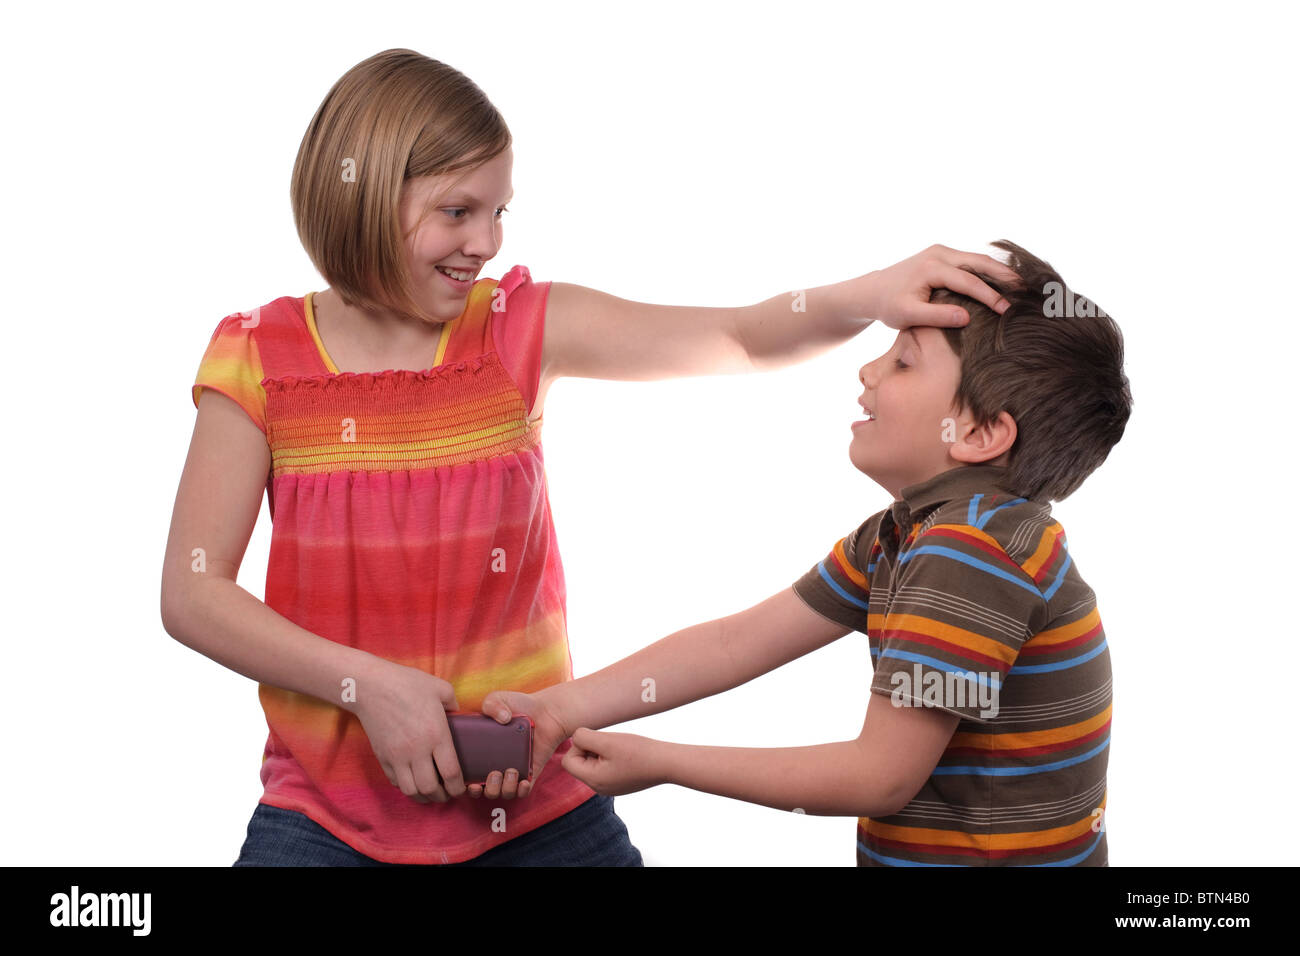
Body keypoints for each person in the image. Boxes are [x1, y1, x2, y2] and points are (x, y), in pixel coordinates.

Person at [159, 47, 1017, 867]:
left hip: (536, 808)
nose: (486, 241)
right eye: (458, 211)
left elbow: (738, 339)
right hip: (326, 819)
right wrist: (363, 686)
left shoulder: (522, 328)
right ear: (363, 193)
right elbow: (194, 592)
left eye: (499, 212)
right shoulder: (258, 357)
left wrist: (865, 295)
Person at [476, 240, 1131, 867]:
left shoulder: (972, 553)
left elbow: (879, 778)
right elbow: (735, 643)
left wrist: (667, 762)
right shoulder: (905, 534)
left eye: (904, 362)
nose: (868, 371)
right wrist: (560, 709)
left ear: (982, 433)